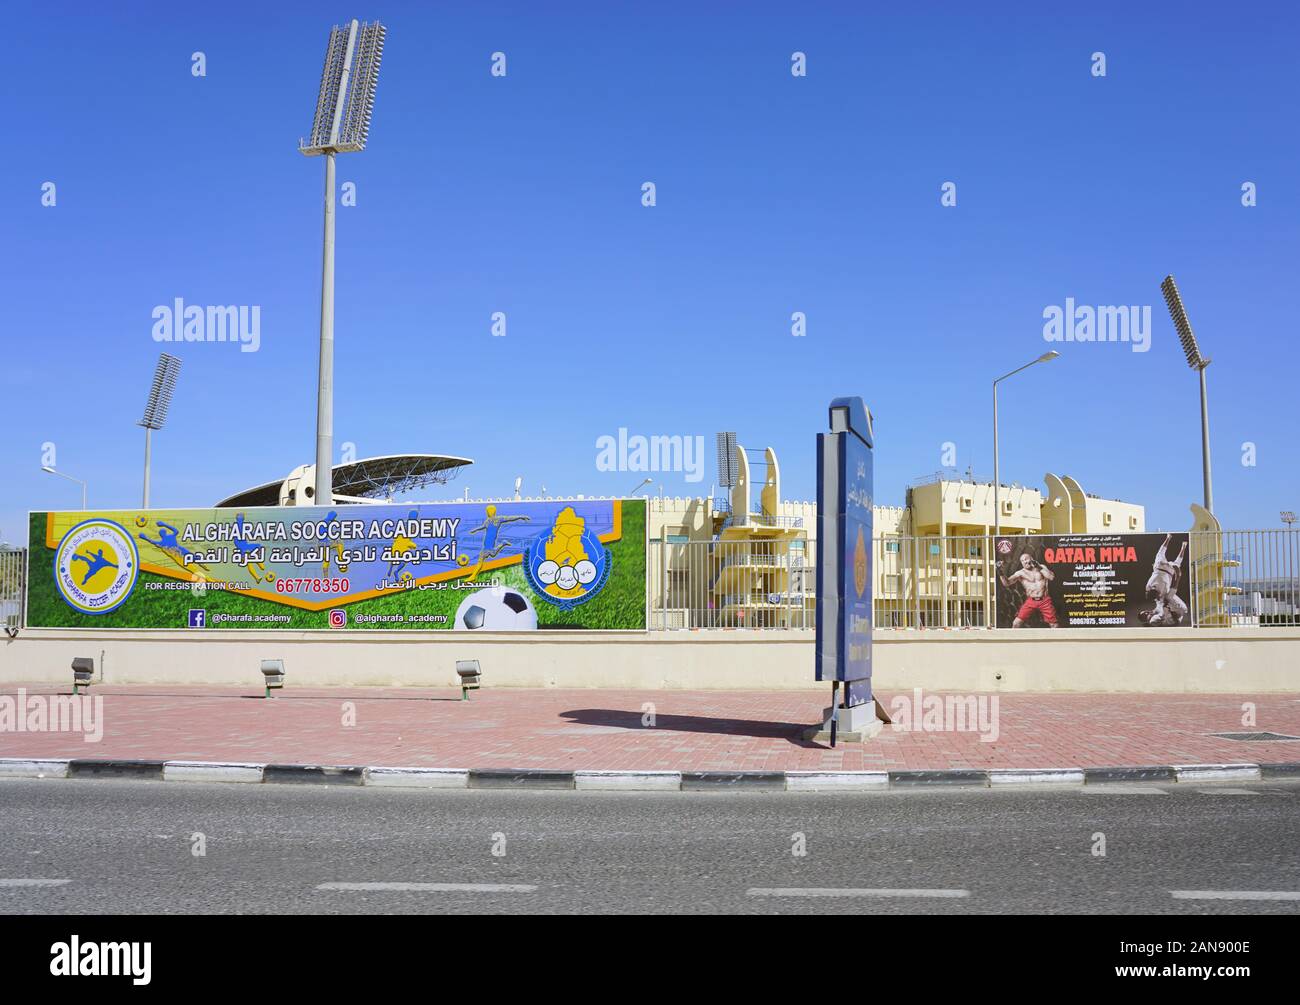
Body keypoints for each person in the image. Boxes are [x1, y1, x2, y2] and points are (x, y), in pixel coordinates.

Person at [1000, 552, 1058, 627]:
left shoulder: (1041, 567)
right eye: (1022, 561)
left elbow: (1051, 577)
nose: (1025, 561)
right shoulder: (1020, 573)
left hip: (1044, 600)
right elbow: (1006, 583)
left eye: (1026, 559)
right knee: (1016, 624)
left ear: (1032, 559)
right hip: (1031, 600)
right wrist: (1000, 572)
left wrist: (1038, 567)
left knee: (1054, 625)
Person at [1141, 533, 1188, 625]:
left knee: (1162, 554)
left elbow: (1158, 599)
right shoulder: (1155, 592)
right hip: (1165, 570)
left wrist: (1178, 576)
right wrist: (1178, 576)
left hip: (1162, 568)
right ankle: (1182, 546)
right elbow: (1172, 591)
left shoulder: (1151, 590)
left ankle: (1170, 539)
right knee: (1174, 561)